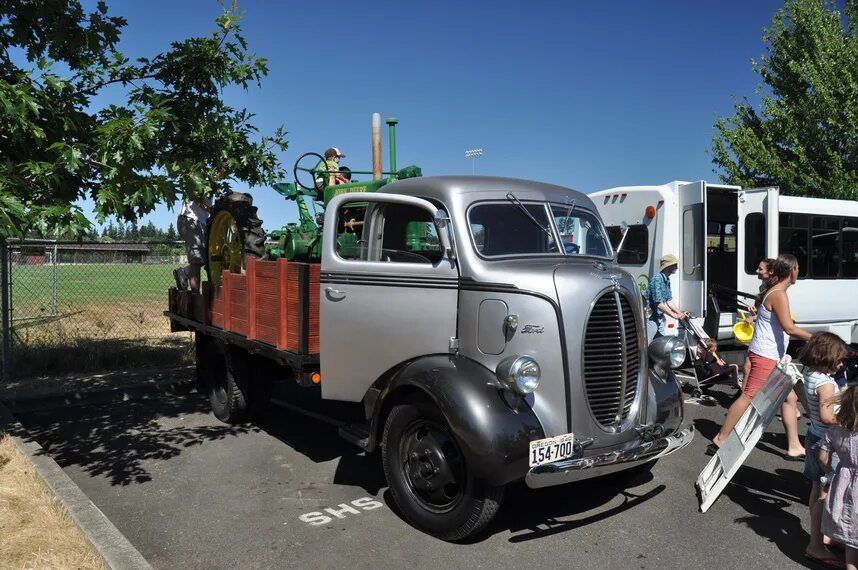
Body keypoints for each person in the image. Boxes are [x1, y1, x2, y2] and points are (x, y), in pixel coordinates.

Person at [712, 253, 812, 457]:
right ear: (791, 270)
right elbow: (789, 328)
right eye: (797, 268)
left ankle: (794, 445)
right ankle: (721, 437)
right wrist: (816, 338)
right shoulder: (778, 294)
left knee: (789, 398)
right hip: (766, 355)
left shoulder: (776, 292)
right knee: (748, 397)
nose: (798, 271)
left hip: (769, 354)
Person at [802, 332, 850, 566]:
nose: (841, 364)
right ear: (825, 357)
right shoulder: (826, 384)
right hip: (826, 445)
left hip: (814, 436)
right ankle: (816, 545)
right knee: (824, 494)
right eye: (838, 360)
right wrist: (849, 418)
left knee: (816, 489)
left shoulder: (810, 373)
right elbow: (827, 416)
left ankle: (824, 536)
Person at [819, 381, 858, 569]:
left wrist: (834, 472)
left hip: (844, 482)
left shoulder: (835, 430)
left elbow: (823, 455)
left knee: (851, 534)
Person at [742, 258, 776, 383]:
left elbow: (773, 314)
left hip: (768, 338)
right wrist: (754, 310)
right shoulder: (763, 286)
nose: (757, 271)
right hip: (759, 334)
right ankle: (745, 397)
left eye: (760, 269)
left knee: (754, 369)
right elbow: (762, 310)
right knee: (747, 367)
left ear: (771, 272)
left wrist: (753, 317)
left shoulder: (775, 291)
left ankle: (746, 398)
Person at [646, 254, 691, 341]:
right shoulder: (657, 279)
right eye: (675, 265)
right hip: (651, 319)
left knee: (660, 345)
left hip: (659, 318)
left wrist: (680, 313)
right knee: (647, 345)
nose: (677, 267)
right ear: (668, 266)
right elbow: (658, 303)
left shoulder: (666, 280)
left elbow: (669, 300)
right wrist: (675, 315)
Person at [174, 196, 211, 294]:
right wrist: (211, 209)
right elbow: (194, 197)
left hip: (200, 221)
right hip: (191, 220)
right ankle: (196, 296)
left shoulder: (212, 183)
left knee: (205, 258)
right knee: (196, 260)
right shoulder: (204, 180)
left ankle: (185, 272)